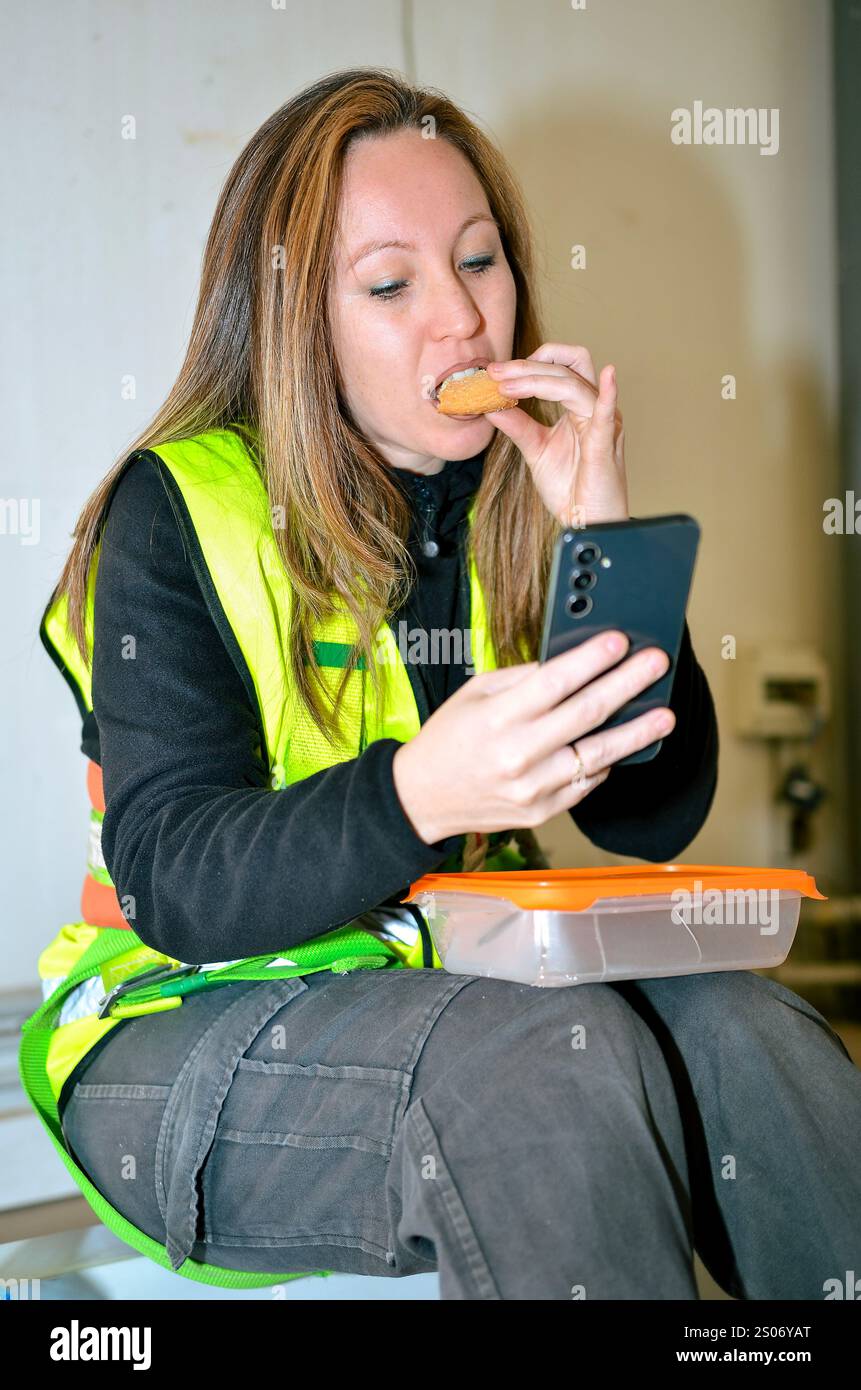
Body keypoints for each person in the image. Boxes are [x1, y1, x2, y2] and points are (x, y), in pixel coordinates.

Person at [29, 68, 861, 1301]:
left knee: (758, 1035)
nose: (464, 321)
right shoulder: (177, 509)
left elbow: (647, 813)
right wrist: (416, 791)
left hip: (451, 984)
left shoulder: (503, 494)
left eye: (480, 262)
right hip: (174, 1022)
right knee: (549, 1066)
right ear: (295, 323)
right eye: (389, 284)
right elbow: (173, 875)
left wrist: (604, 542)